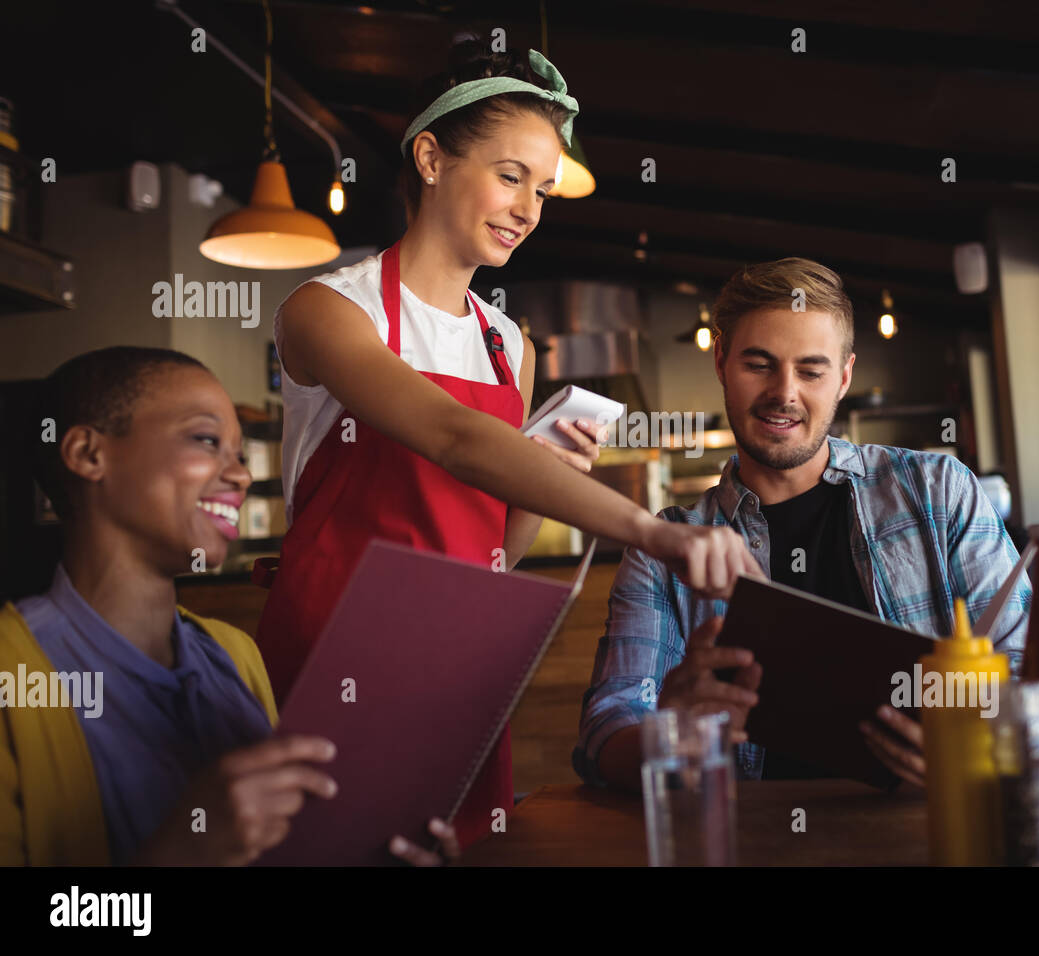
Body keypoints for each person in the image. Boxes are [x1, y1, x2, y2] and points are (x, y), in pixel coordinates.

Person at [253, 36, 758, 848]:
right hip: (337, 648)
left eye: (545, 189)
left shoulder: (507, 344)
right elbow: (454, 439)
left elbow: (500, 548)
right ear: (429, 157)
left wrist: (544, 468)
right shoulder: (329, 310)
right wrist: (651, 530)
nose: (529, 208)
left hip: (460, 661)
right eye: (510, 175)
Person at [573, 258, 1033, 791]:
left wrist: (968, 742)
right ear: (720, 361)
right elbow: (605, 733)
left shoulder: (939, 491)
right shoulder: (664, 547)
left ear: (844, 377)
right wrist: (668, 734)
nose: (784, 392)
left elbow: (1028, 670)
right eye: (759, 364)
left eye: (811, 371)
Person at [0, 347, 455, 866]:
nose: (238, 475)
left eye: (237, 453)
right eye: (207, 441)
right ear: (87, 454)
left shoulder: (235, 654)